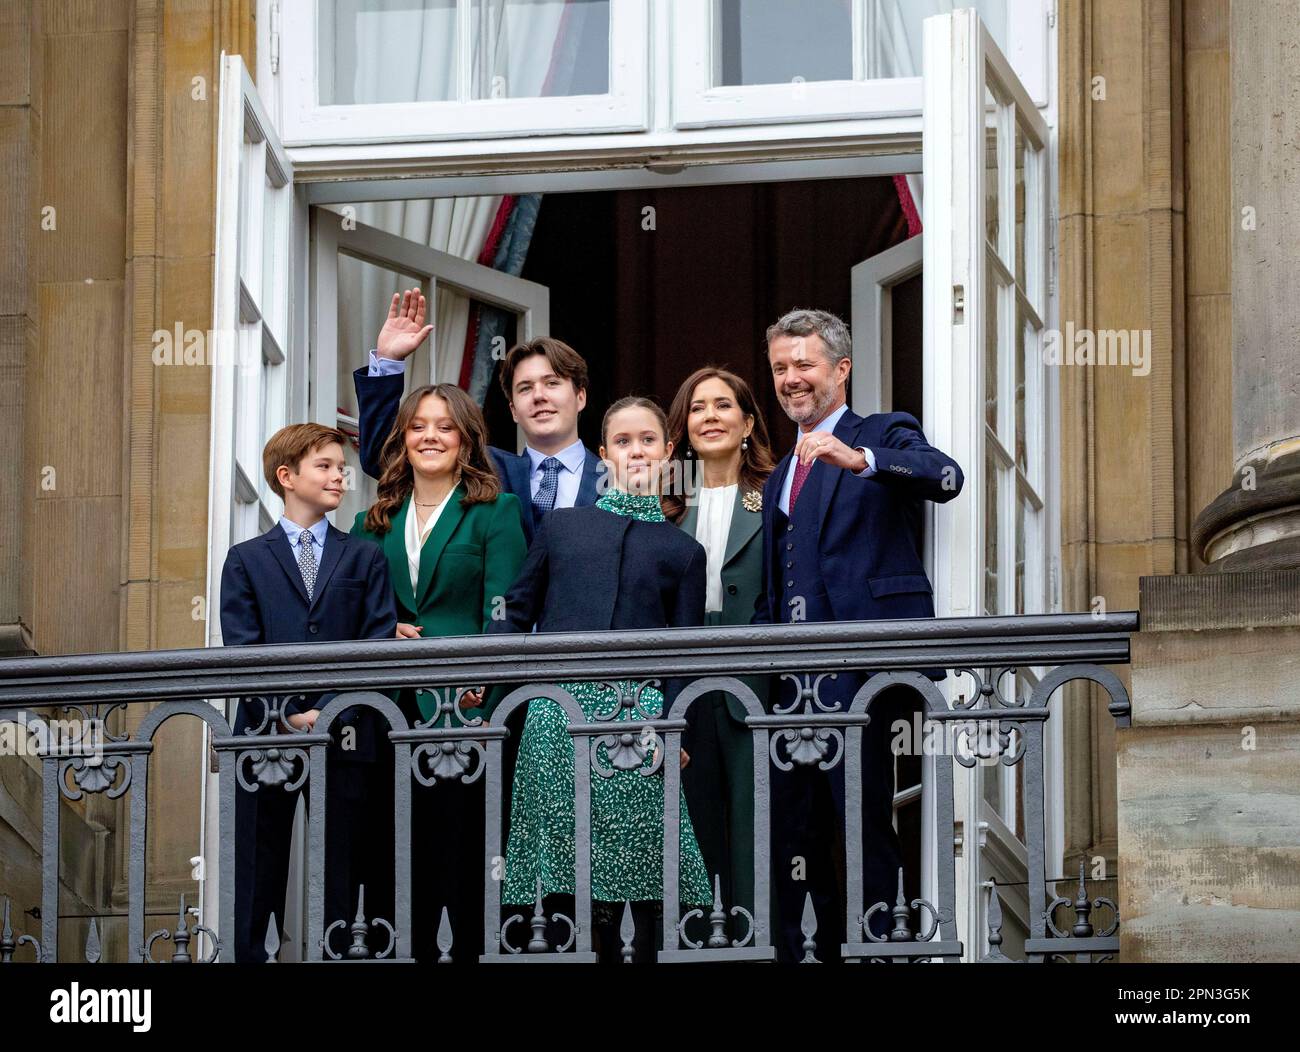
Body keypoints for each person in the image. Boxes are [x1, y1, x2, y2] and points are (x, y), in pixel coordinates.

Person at [753, 308, 964, 962]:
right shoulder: (779, 471)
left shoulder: (882, 432)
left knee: (862, 827)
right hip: (791, 684)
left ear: (841, 369)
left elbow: (946, 477)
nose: (791, 379)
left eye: (804, 365)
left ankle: (884, 954)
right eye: (781, 368)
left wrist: (862, 459)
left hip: (864, 670)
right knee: (793, 833)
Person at [488, 396, 713, 962]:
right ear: (602, 454)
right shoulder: (562, 527)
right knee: (563, 880)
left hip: (638, 725)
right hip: (556, 714)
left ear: (667, 452)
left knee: (643, 871)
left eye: (646, 441)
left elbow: (683, 656)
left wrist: (674, 726)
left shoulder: (684, 550)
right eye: (621, 441)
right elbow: (516, 613)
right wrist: (481, 690)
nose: (635, 451)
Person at [350, 382, 527, 963]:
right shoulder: (372, 520)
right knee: (396, 859)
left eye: (444, 426)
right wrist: (383, 630)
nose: (430, 436)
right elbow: (347, 612)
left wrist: (485, 684)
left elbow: (506, 611)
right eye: (418, 425)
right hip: (387, 710)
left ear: (466, 438)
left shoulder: (495, 512)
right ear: (402, 438)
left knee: (464, 858)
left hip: (466, 709)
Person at [219, 423, 398, 963]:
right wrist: (287, 715)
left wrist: (329, 710)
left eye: (341, 468)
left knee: (342, 866)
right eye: (324, 466)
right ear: (286, 476)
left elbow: (374, 642)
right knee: (258, 866)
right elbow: (244, 650)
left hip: (346, 739)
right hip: (264, 739)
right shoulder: (246, 559)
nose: (339, 476)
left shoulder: (365, 557)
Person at [663, 367, 776, 937]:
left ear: (748, 422)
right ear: (681, 427)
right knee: (686, 825)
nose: (710, 416)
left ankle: (756, 943)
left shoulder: (775, 496)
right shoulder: (661, 506)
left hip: (755, 684)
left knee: (754, 829)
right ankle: (693, 944)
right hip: (679, 686)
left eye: (723, 405)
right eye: (697, 407)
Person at [354, 288, 603, 542]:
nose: (539, 396)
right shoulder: (484, 467)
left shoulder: (615, 477)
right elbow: (382, 456)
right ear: (513, 410)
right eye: (525, 388)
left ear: (580, 397)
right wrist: (388, 362)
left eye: (552, 383)